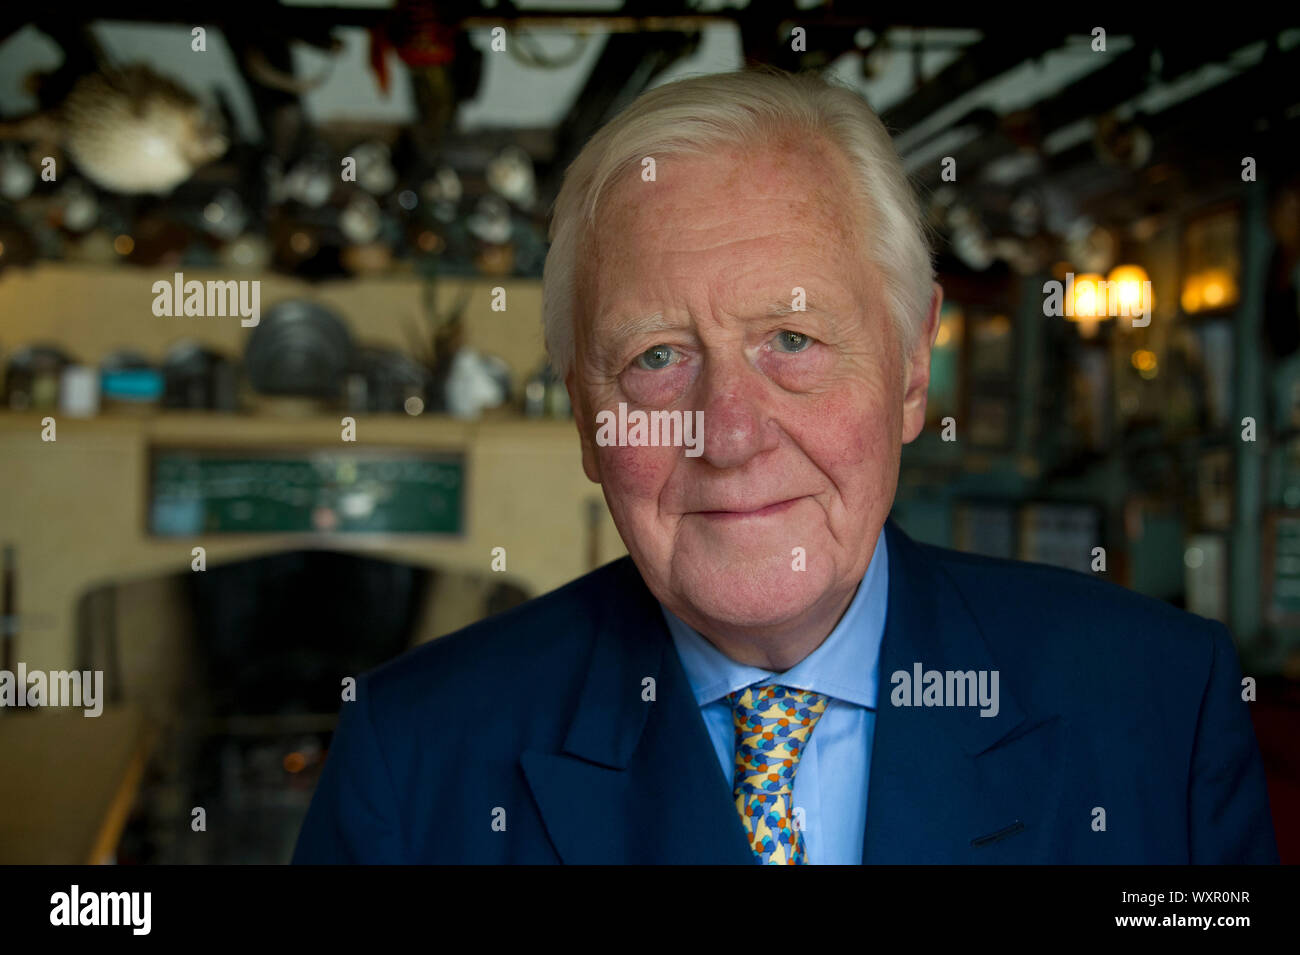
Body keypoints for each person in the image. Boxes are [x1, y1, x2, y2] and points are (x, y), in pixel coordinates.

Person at [293, 68, 1277, 864]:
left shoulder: (1159, 707)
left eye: (793, 339)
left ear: (907, 366)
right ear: (589, 422)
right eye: (656, 358)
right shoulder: (413, 761)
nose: (729, 434)